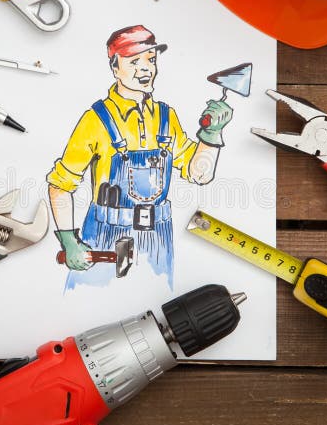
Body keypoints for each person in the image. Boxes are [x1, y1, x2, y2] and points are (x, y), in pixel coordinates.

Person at [46, 25, 233, 289]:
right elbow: (60, 185)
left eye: (151, 60)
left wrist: (211, 135)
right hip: (105, 237)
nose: (145, 69)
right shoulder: (96, 120)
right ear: (115, 67)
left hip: (158, 239)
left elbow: (199, 174)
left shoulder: (167, 118)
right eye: (134, 61)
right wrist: (69, 240)